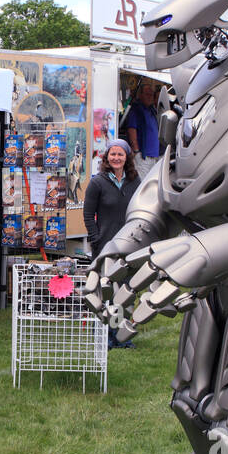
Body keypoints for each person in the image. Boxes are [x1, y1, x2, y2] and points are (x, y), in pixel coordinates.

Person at [84, 139, 141, 347]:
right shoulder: (97, 182)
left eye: (120, 154)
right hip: (105, 247)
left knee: (125, 291)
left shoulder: (135, 182)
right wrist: (95, 238)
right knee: (105, 291)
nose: (116, 158)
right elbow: (88, 215)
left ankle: (121, 336)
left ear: (127, 157)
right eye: (113, 154)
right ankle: (104, 335)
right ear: (107, 157)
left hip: (128, 245)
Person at [125, 80, 163, 179]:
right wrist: (137, 152)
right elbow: (132, 130)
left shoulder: (152, 110)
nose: (150, 96)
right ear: (140, 95)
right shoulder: (136, 110)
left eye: (151, 94)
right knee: (143, 184)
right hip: (143, 157)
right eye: (147, 94)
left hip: (155, 157)